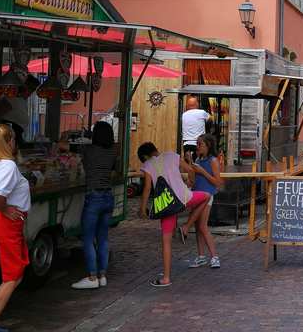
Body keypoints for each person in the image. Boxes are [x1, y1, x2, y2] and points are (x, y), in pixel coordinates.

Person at [137, 142, 219, 287]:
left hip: (167, 205)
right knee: (206, 196)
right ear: (156, 149)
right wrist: (190, 182)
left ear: (144, 156)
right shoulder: (171, 155)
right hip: (185, 197)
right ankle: (186, 226)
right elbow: (190, 170)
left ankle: (166, 278)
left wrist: (142, 209)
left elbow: (147, 189)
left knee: (166, 241)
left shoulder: (148, 165)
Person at [0, 124, 30, 332]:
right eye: (14, 140)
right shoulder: (7, 165)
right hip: (0, 225)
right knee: (13, 275)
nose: (15, 143)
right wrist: (6, 208)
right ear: (8, 142)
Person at [71, 121, 117, 290]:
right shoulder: (113, 151)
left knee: (88, 238)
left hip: (94, 196)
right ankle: (102, 275)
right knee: (103, 238)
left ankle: (92, 277)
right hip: (108, 196)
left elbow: (70, 149)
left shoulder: (88, 151)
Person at [180, 134, 222, 269]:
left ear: (208, 146)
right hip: (197, 195)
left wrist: (203, 172)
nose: (197, 147)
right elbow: (193, 177)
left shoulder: (213, 160)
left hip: (207, 195)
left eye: (200, 144)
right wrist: (189, 164)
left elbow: (217, 182)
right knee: (198, 227)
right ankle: (201, 256)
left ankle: (215, 257)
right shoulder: (198, 159)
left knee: (203, 226)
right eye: (197, 144)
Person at [181, 97, 211, 163]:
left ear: (188, 106)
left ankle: (191, 163)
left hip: (187, 143)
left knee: (189, 165)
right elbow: (209, 119)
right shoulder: (202, 112)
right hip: (199, 143)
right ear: (197, 104)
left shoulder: (183, 115)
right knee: (200, 162)